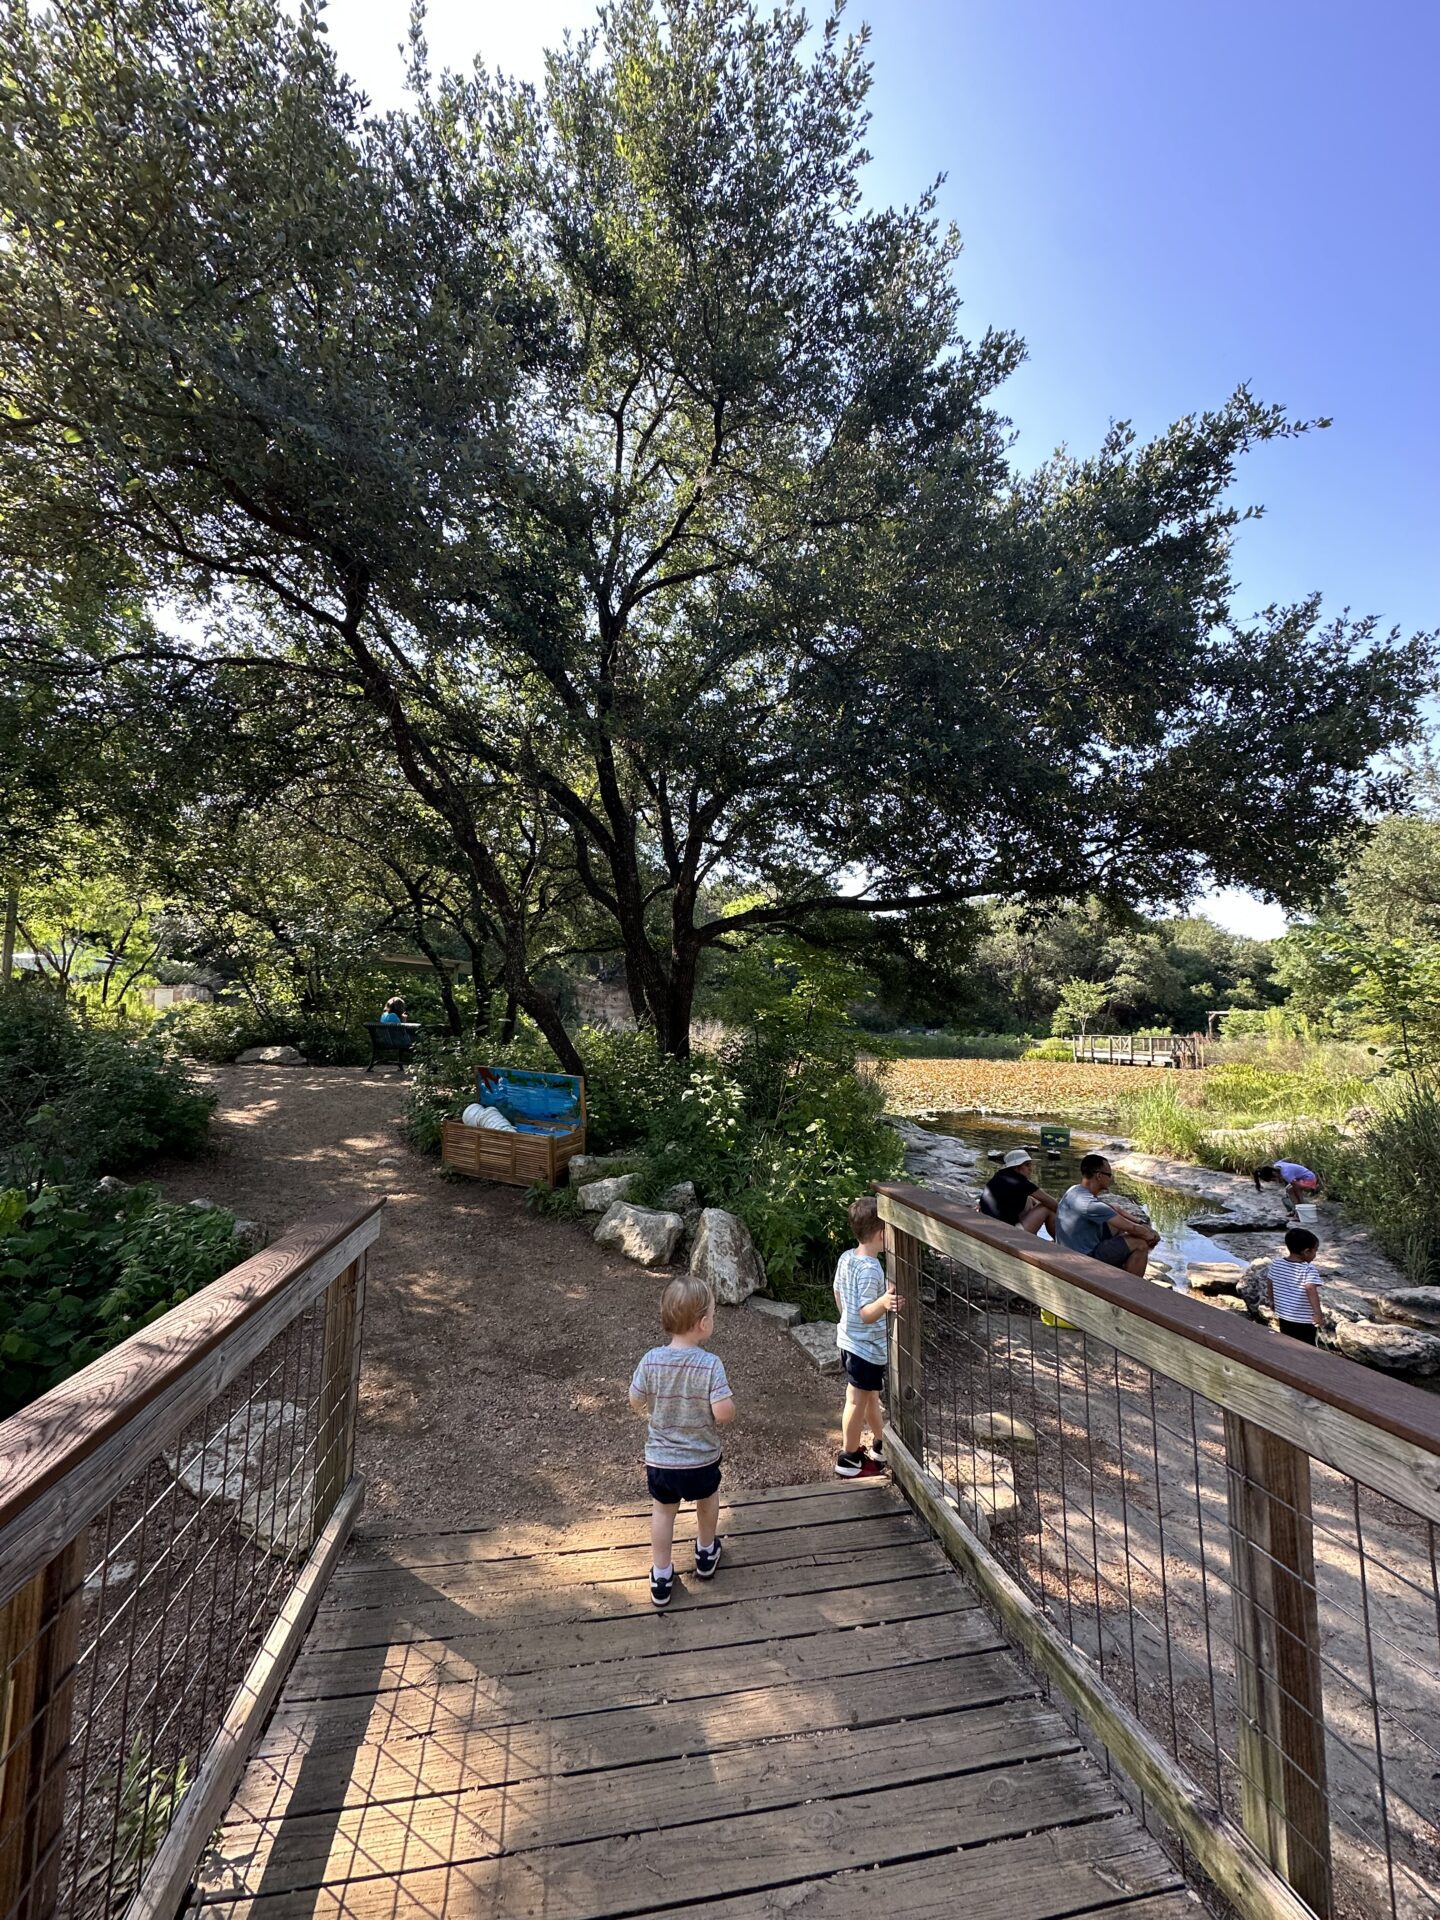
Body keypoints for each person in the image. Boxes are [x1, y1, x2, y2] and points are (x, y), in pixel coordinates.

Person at [629, 1275, 735, 1608]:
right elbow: (722, 1413)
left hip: (661, 1462)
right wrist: (728, 1405)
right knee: (708, 1499)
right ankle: (705, 1552)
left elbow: (635, 1399)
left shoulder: (650, 1360)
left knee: (663, 1513)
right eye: (714, 1316)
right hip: (701, 1460)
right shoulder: (710, 1365)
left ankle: (661, 1574)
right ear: (703, 1323)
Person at [833, 1196, 898, 1479]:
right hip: (865, 1348)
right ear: (882, 1234)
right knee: (856, 1400)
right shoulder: (872, 1268)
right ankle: (848, 1458)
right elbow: (865, 1313)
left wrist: (847, 1319)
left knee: (871, 1396)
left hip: (849, 1342)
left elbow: (838, 1294)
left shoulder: (847, 1257)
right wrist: (883, 1302)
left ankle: (880, 1444)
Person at [1055, 1153, 1159, 1276]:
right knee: (1140, 1244)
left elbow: (1115, 1210)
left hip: (1069, 1251)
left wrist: (1140, 1222)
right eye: (1109, 1175)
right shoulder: (1090, 1204)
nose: (1111, 1179)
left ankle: (1123, 1269)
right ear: (1099, 1176)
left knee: (1118, 1227)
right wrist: (1151, 1235)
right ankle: (1131, 1289)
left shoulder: (1075, 1190)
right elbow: (1133, 1228)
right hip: (1083, 1260)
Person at [1265, 1226, 1325, 1343]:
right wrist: (1318, 1313)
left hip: (1284, 1314)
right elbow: (1311, 1289)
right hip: (1304, 1319)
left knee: (1288, 1341)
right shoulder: (1308, 1269)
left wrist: (1272, 1301)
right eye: (1315, 1251)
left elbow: (1270, 1282)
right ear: (1306, 1251)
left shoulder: (1277, 1264)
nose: (1315, 1254)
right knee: (1306, 1346)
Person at [980, 1148, 1059, 1236]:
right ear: (1017, 1167)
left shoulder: (999, 1176)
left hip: (988, 1226)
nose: (1031, 1169)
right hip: (1008, 1234)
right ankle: (1060, 1243)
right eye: (1027, 1165)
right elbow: (1054, 1204)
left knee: (1029, 1199)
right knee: (1046, 1207)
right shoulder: (1022, 1183)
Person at [1254, 1161, 1320, 1218]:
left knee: (1290, 1190)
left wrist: (1302, 1205)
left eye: (1274, 1179)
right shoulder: (1277, 1165)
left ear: (1274, 1173)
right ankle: (1295, 1210)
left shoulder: (1286, 1174)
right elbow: (1285, 1160)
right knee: (1288, 1189)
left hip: (1309, 1179)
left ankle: (1298, 1212)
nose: (1277, 1181)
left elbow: (1297, 1189)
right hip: (1302, 1178)